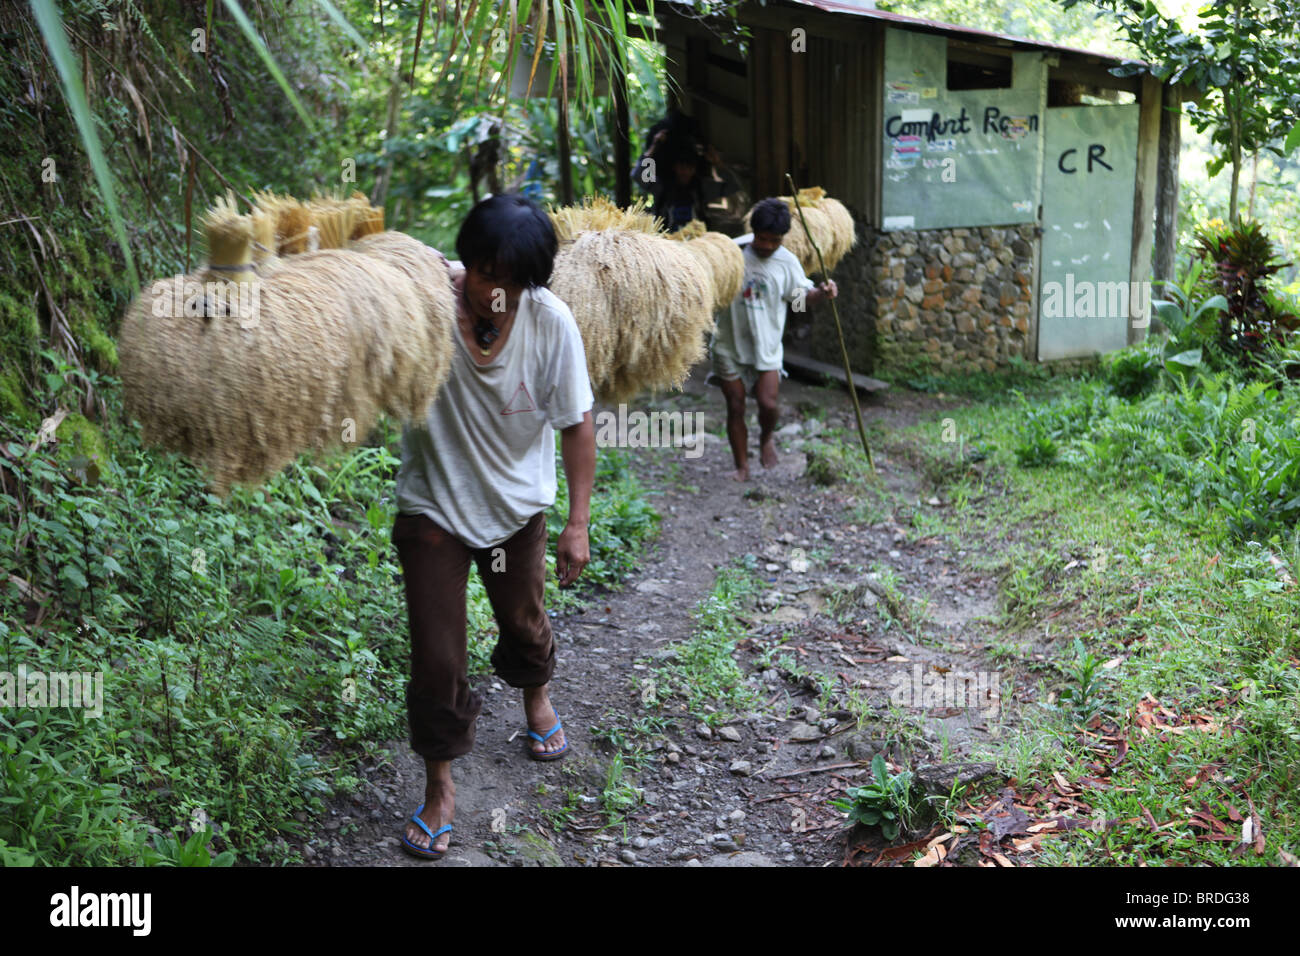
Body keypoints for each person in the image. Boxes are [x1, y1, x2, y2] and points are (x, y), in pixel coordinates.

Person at [391, 194, 596, 859]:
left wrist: (577, 523)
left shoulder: (551, 325)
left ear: (530, 284)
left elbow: (576, 423)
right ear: (467, 264)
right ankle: (440, 787)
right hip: (435, 513)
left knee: (525, 623)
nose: (492, 293)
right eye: (482, 274)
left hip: (514, 516)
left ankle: (536, 698)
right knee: (437, 657)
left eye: (508, 282)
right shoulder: (424, 307)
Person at [707, 197, 838, 481]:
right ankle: (742, 467)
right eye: (761, 239)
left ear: (783, 238)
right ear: (752, 232)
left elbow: (798, 302)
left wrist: (820, 295)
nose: (766, 246)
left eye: (774, 241)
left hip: (765, 347)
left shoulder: (787, 263)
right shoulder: (731, 253)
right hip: (728, 344)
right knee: (736, 404)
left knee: (768, 404)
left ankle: (766, 438)